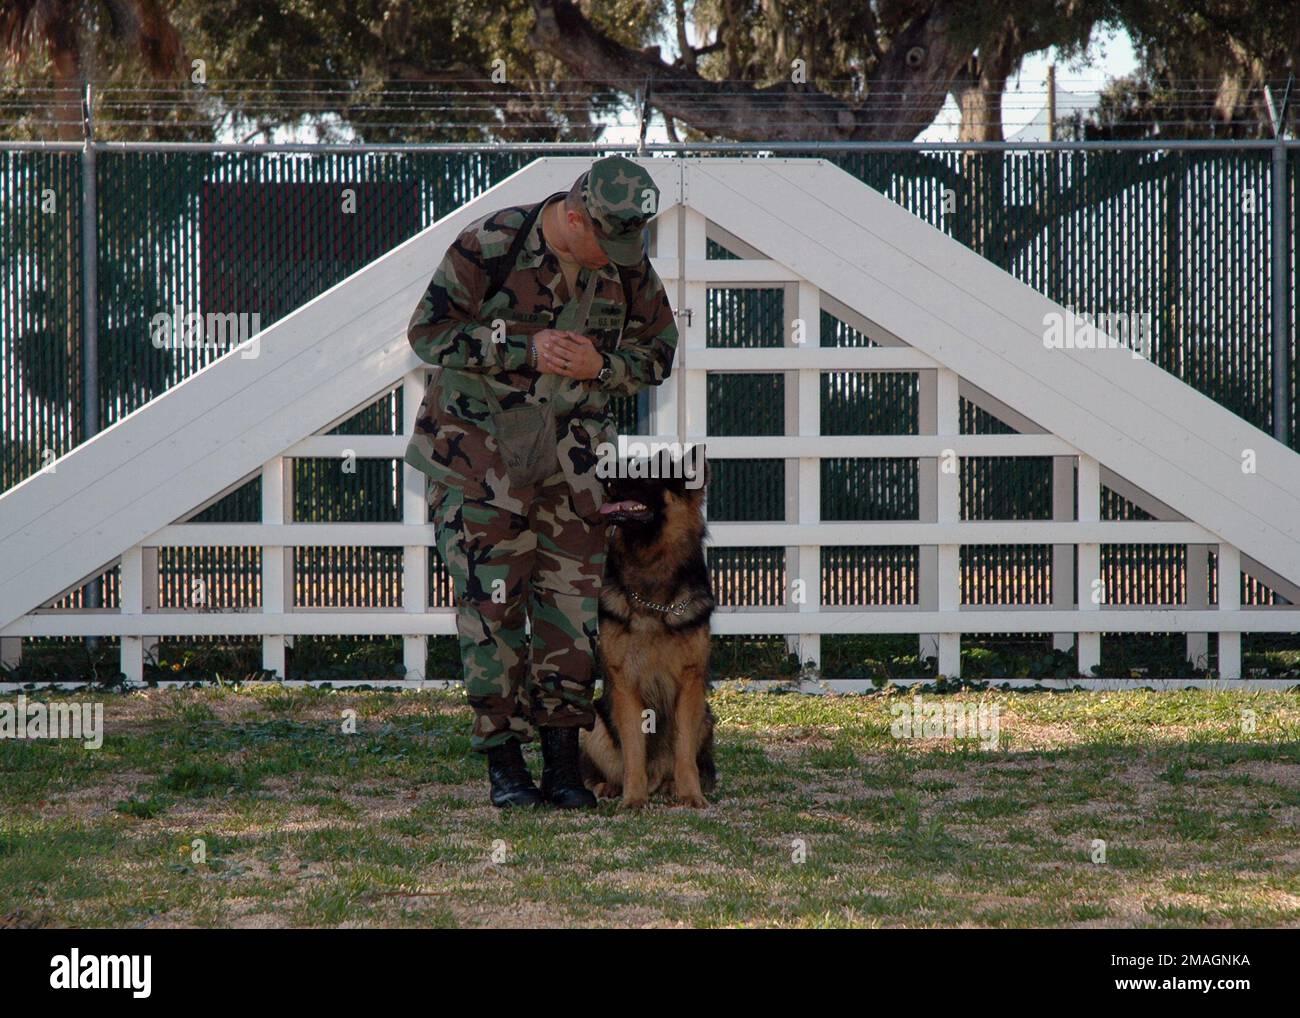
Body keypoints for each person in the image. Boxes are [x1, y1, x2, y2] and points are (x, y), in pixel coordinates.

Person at [405, 155, 679, 808]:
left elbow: (660, 352)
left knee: (573, 621)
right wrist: (521, 349)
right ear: (575, 215)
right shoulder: (490, 243)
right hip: (479, 466)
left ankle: (562, 768)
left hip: (573, 475)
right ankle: (505, 770)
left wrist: (603, 363)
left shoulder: (626, 261)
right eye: (603, 242)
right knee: (491, 619)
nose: (614, 257)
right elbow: (427, 333)